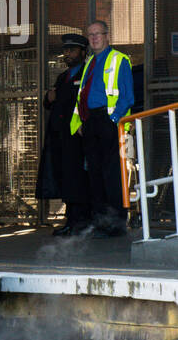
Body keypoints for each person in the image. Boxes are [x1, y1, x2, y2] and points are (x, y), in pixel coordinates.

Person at [69, 20, 134, 238]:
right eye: (90, 35)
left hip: (108, 120)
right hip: (91, 123)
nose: (94, 38)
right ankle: (100, 222)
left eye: (98, 34)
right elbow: (83, 96)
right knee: (94, 174)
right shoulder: (90, 63)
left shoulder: (119, 59)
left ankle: (116, 224)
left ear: (107, 36)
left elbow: (127, 96)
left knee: (112, 173)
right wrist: (81, 122)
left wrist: (113, 119)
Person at [35, 32, 90, 235]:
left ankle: (80, 221)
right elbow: (50, 103)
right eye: (65, 51)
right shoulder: (62, 77)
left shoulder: (86, 74)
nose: (67, 54)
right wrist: (48, 98)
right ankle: (71, 220)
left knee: (78, 178)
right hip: (59, 137)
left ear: (83, 52)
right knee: (65, 177)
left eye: (72, 50)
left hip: (77, 136)